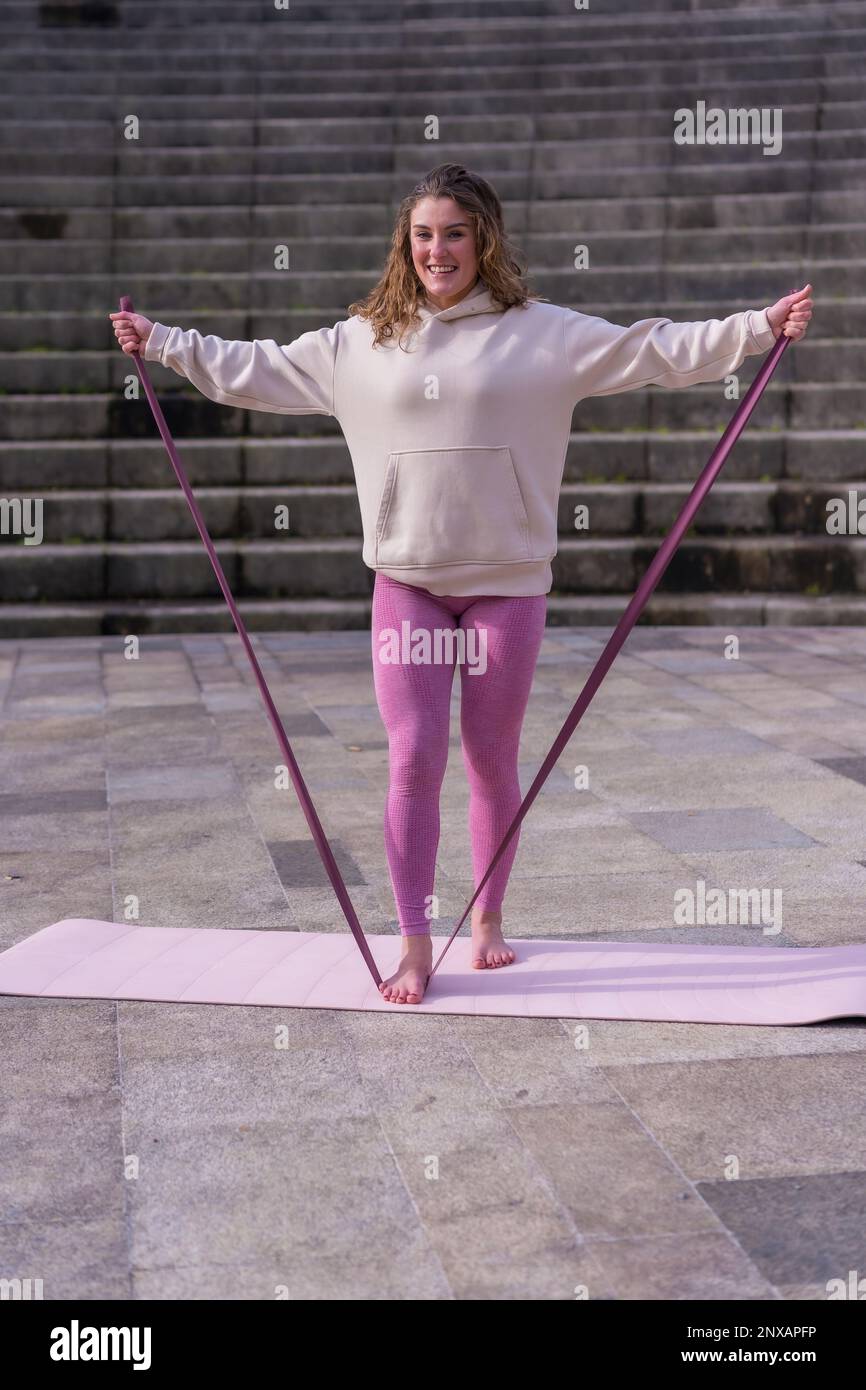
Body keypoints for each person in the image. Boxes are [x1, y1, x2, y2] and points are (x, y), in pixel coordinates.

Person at [110, 163, 813, 1006]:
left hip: (507, 586)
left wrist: (759, 327)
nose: (438, 249)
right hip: (408, 580)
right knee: (412, 758)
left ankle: (485, 923)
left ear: (484, 239)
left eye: (454, 232)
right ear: (404, 245)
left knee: (488, 760)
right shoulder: (358, 343)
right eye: (423, 234)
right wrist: (161, 341)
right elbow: (249, 367)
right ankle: (413, 946)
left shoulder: (544, 334)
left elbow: (654, 350)